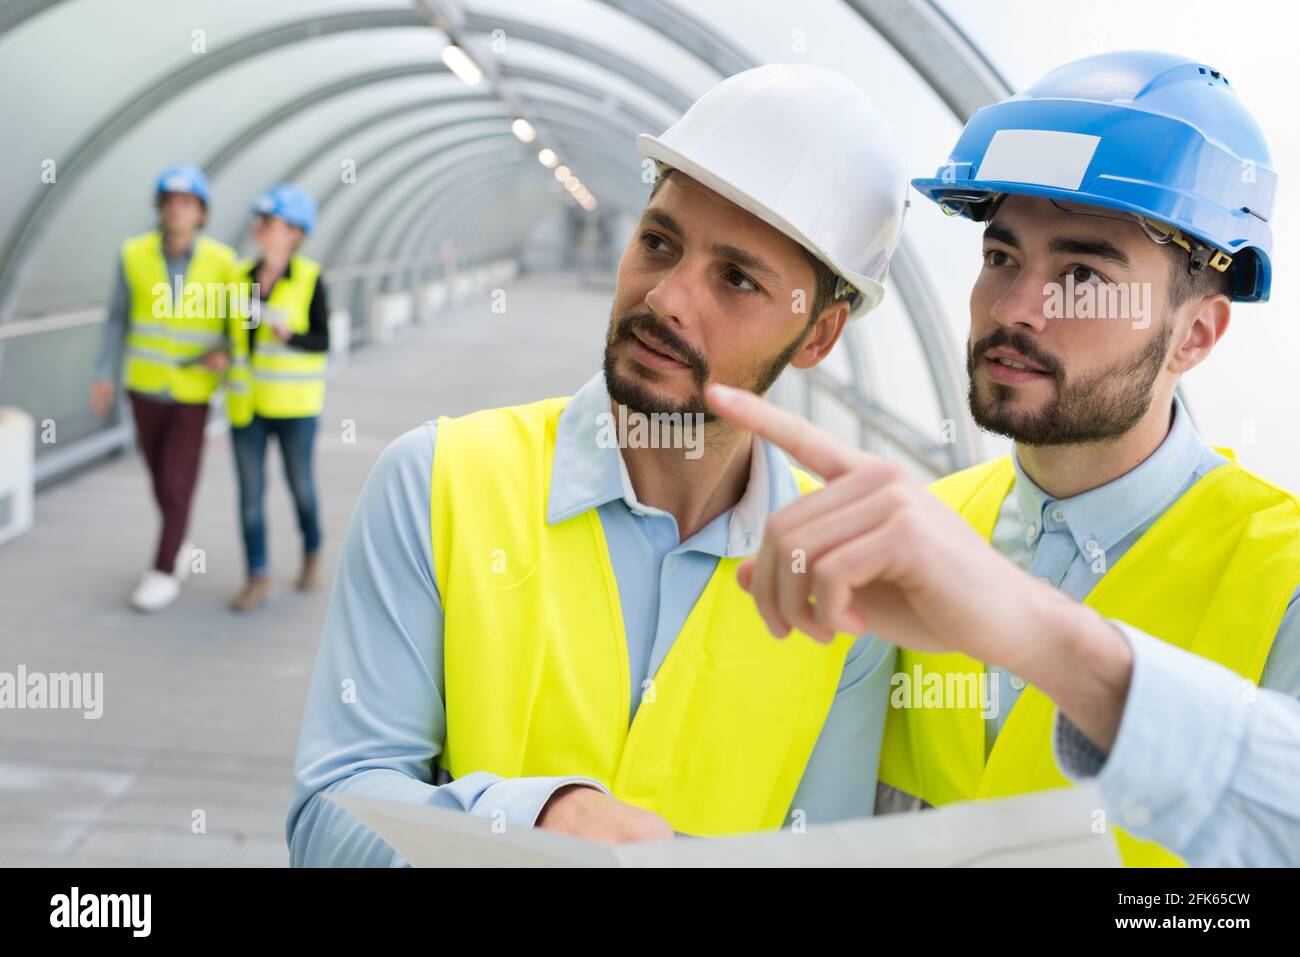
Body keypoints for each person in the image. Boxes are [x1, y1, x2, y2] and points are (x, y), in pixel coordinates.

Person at [286, 63, 909, 865]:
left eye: (737, 279)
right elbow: (330, 821)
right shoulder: (438, 481)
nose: (667, 297)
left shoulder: (837, 575)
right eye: (659, 242)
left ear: (819, 335)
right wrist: (529, 821)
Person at [705, 51, 1298, 867]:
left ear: (1194, 334)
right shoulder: (925, 528)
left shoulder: (1284, 576)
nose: (1016, 310)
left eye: (1083, 276)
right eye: (1001, 258)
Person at [90, 164, 238, 612]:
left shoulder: (223, 261)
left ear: (201, 213)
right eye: (171, 201)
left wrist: (225, 355)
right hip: (145, 388)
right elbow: (118, 317)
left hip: (193, 392)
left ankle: (162, 570)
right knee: (159, 481)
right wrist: (103, 374)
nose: (179, 210)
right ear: (161, 207)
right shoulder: (133, 254)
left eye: (188, 203)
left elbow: (236, 328)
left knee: (177, 484)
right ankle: (179, 545)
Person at [225, 185, 329, 612]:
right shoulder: (239, 277)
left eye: (270, 223)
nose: (261, 229)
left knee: (300, 488)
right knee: (250, 497)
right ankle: (257, 576)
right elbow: (233, 335)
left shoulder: (309, 279)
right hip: (247, 407)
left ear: (294, 232)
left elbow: (323, 340)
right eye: (260, 222)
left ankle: (311, 552)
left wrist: (292, 338)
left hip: (295, 408)